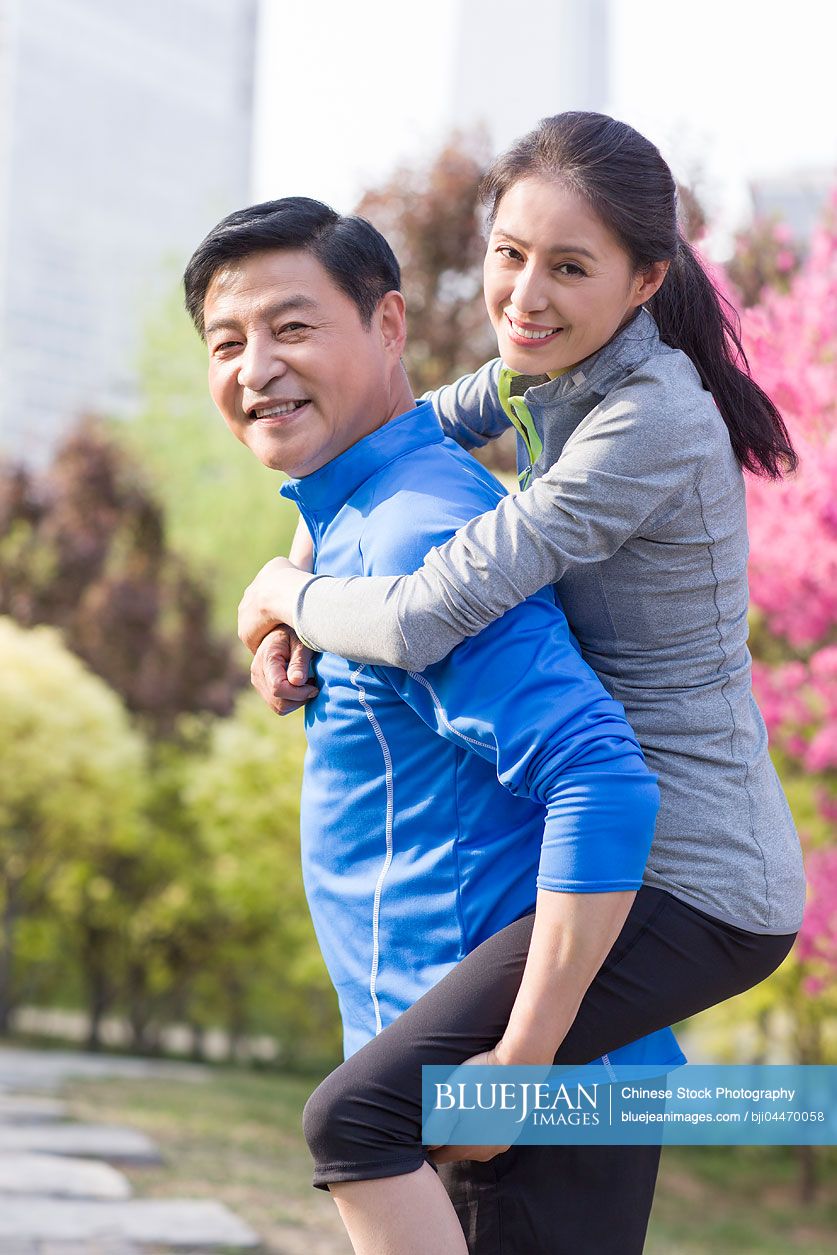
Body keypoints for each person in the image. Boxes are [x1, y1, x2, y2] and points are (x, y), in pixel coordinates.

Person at [236, 114, 807, 1248]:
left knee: (363, 1116)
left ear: (645, 281)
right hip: (635, 850)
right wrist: (294, 584)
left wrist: (281, 592)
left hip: (697, 880)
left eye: (569, 267)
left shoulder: (649, 421)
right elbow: (382, 440)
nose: (525, 295)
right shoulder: (537, 372)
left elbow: (419, 616)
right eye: (510, 254)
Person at [184, 195, 689, 1255]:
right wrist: (286, 595)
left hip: (511, 1099)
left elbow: (599, 774)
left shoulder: (413, 531)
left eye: (292, 326)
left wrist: (519, 1065)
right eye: (226, 343)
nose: (256, 367)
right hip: (464, 1086)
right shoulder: (363, 518)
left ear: (388, 325)